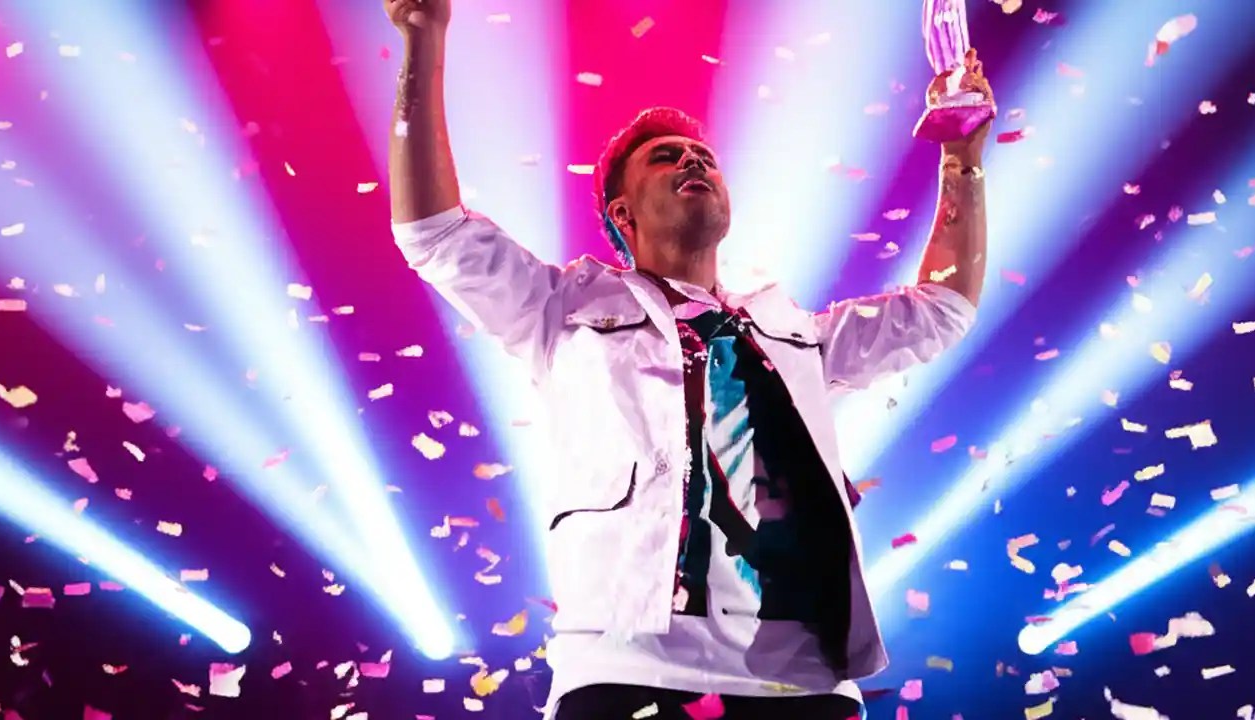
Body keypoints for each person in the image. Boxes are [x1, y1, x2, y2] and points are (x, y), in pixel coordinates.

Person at [383, 1, 991, 718]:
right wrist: (425, 42)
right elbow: (432, 232)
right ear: (622, 212)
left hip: (801, 680)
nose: (692, 160)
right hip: (624, 666)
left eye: (700, 155)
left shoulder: (788, 331)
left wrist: (963, 158)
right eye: (665, 157)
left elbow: (942, 309)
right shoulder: (560, 309)